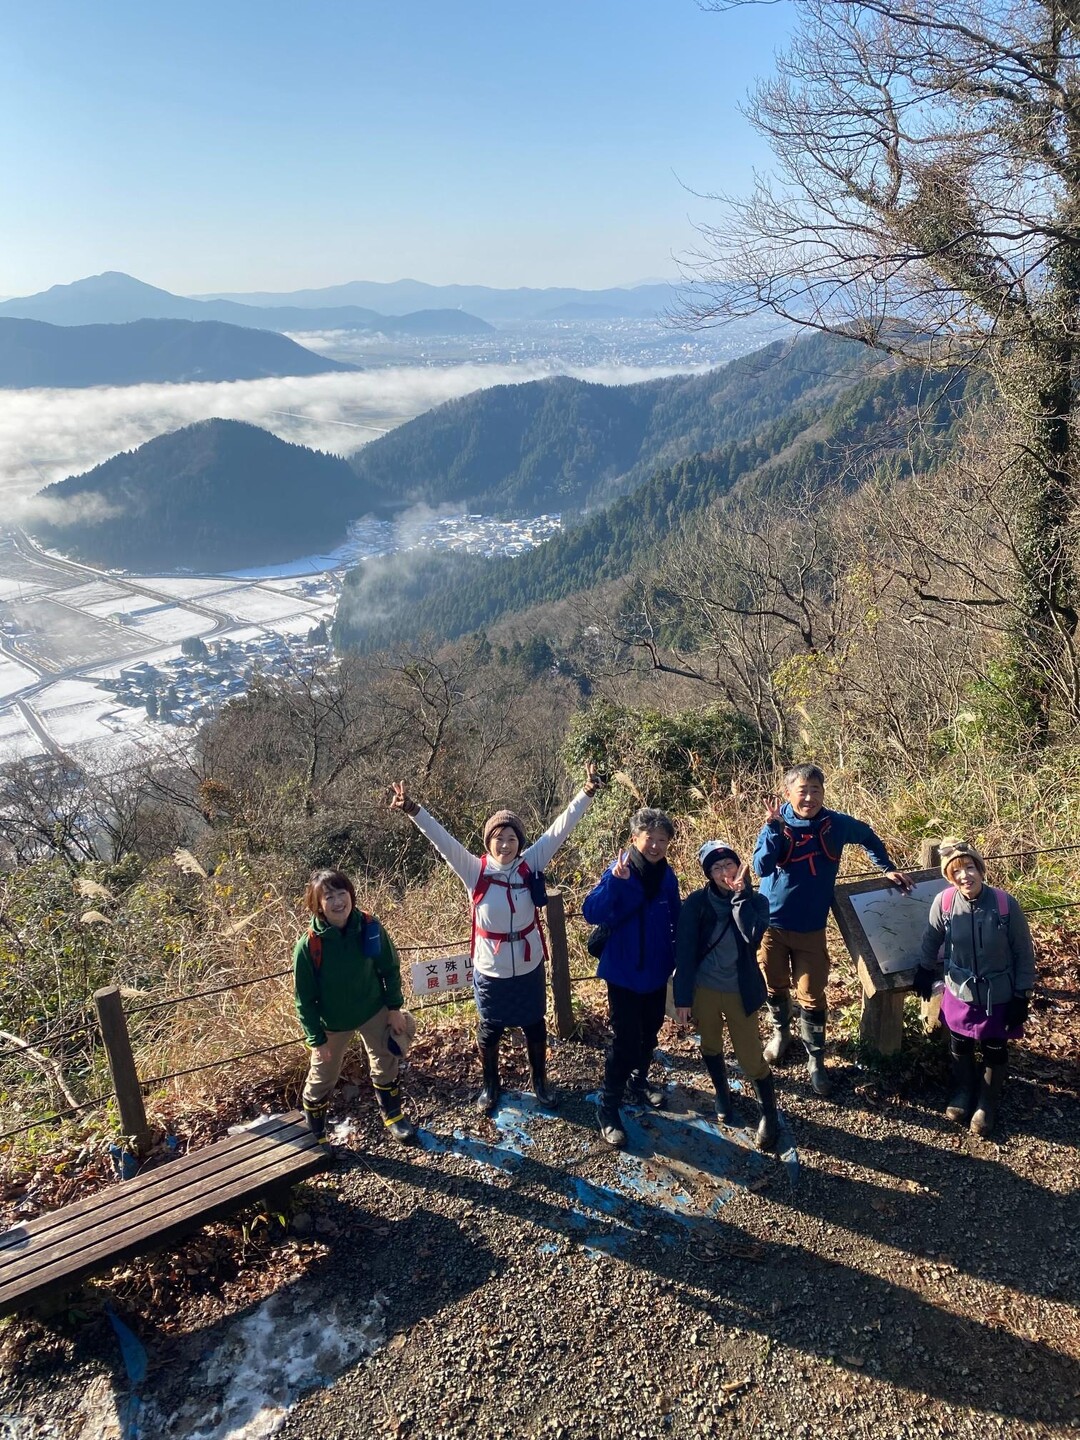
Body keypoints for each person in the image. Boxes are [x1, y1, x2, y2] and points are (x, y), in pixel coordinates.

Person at [390, 764, 602, 1113]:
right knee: (490, 1030)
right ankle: (491, 1085)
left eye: (512, 838)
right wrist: (414, 810)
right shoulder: (475, 871)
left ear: (520, 842)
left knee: (535, 1026)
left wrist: (587, 792)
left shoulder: (529, 863)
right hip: (491, 968)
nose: (505, 844)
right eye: (498, 838)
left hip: (529, 963)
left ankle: (540, 1082)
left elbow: (560, 829)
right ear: (488, 842)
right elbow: (441, 840)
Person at [753, 763, 910, 1097]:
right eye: (802, 790)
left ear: (823, 792)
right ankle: (780, 1035)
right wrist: (771, 830)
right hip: (772, 925)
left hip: (811, 927)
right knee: (774, 983)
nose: (809, 797)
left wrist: (886, 869)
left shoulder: (835, 824)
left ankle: (816, 1060)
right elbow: (761, 866)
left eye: (815, 790)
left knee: (811, 994)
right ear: (788, 793)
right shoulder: (775, 823)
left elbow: (867, 835)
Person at [912, 838, 1036, 1137]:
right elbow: (931, 938)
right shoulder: (943, 903)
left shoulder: (1006, 904)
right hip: (960, 989)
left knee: (995, 1048)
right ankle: (963, 1092)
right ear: (950, 877)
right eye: (957, 872)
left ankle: (986, 1103)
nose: (964, 876)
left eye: (970, 868)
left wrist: (1023, 994)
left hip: (999, 992)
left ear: (980, 869)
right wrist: (924, 969)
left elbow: (1023, 951)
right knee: (960, 1044)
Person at [294, 868, 419, 1149]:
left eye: (342, 893)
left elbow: (389, 968)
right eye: (329, 897)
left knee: (385, 1060)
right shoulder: (309, 946)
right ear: (318, 905)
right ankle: (315, 1133)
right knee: (322, 1076)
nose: (338, 902)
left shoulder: (369, 926)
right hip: (332, 1022)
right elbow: (304, 998)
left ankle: (393, 1115)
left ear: (351, 894)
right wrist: (316, 1039)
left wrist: (394, 1008)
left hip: (373, 1009)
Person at [582, 807, 681, 1148]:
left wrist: (680, 959)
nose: (655, 846)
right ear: (634, 839)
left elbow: (677, 918)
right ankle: (608, 1108)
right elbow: (590, 912)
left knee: (651, 1028)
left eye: (662, 840)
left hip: (656, 968)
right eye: (649, 838)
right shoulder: (619, 872)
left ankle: (638, 1082)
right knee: (625, 1039)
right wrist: (613, 881)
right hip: (623, 970)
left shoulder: (667, 876)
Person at [674, 842, 777, 1150]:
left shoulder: (757, 901)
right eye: (716, 868)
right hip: (704, 988)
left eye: (729, 865)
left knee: (750, 1057)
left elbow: (751, 935)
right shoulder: (696, 904)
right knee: (710, 1043)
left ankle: (768, 1113)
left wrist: (740, 896)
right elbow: (685, 951)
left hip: (739, 989)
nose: (724, 872)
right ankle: (722, 1093)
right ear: (708, 873)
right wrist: (682, 998)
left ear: (739, 866)